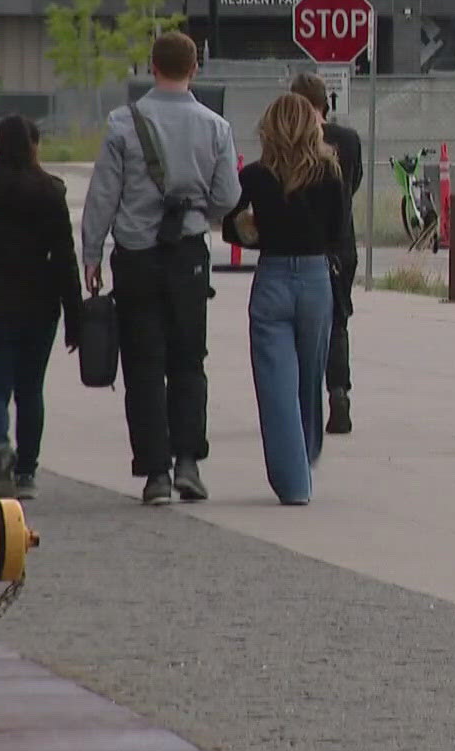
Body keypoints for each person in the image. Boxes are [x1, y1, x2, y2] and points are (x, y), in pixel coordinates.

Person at [82, 31, 240, 505]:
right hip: (188, 257)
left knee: (144, 365)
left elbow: (103, 196)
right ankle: (189, 461)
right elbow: (229, 197)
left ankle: (155, 473)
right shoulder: (216, 127)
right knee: (189, 361)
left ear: (152, 67)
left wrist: (91, 253)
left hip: (136, 258)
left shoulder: (122, 124)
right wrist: (200, 214)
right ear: (194, 69)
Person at [223, 94, 355, 505]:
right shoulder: (331, 175)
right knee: (309, 375)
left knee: (275, 382)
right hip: (316, 279)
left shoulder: (255, 175)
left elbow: (230, 224)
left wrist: (252, 228)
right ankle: (307, 449)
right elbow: (338, 232)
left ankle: (293, 480)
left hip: (273, 277)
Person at [0, 114, 82, 501]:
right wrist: (75, 316)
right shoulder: (50, 191)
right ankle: (25, 472)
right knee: (30, 390)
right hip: (40, 304)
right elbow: (64, 257)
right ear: (32, 146)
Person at [286, 72, 363, 435]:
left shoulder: (287, 142)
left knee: (295, 327)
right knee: (337, 321)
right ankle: (338, 391)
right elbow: (354, 184)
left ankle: (300, 401)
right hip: (341, 243)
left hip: (297, 244)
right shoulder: (348, 141)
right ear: (324, 103)